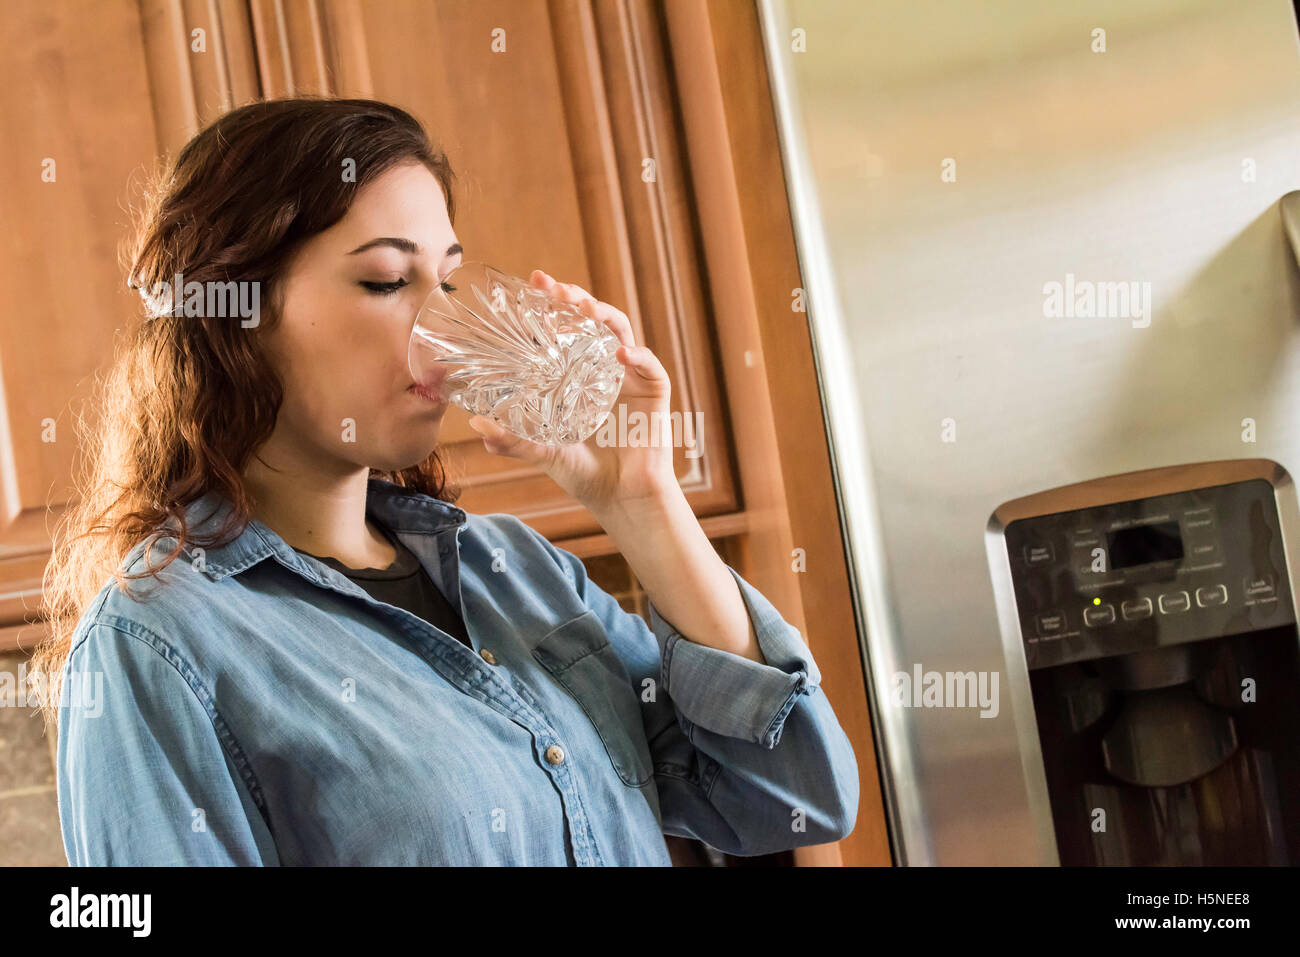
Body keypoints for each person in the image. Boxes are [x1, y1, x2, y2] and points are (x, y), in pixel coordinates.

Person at [37, 96, 859, 865]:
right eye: (388, 281)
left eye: (450, 280)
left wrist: (643, 500)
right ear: (234, 315)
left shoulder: (516, 572)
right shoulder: (158, 643)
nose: (439, 330)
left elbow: (794, 797)